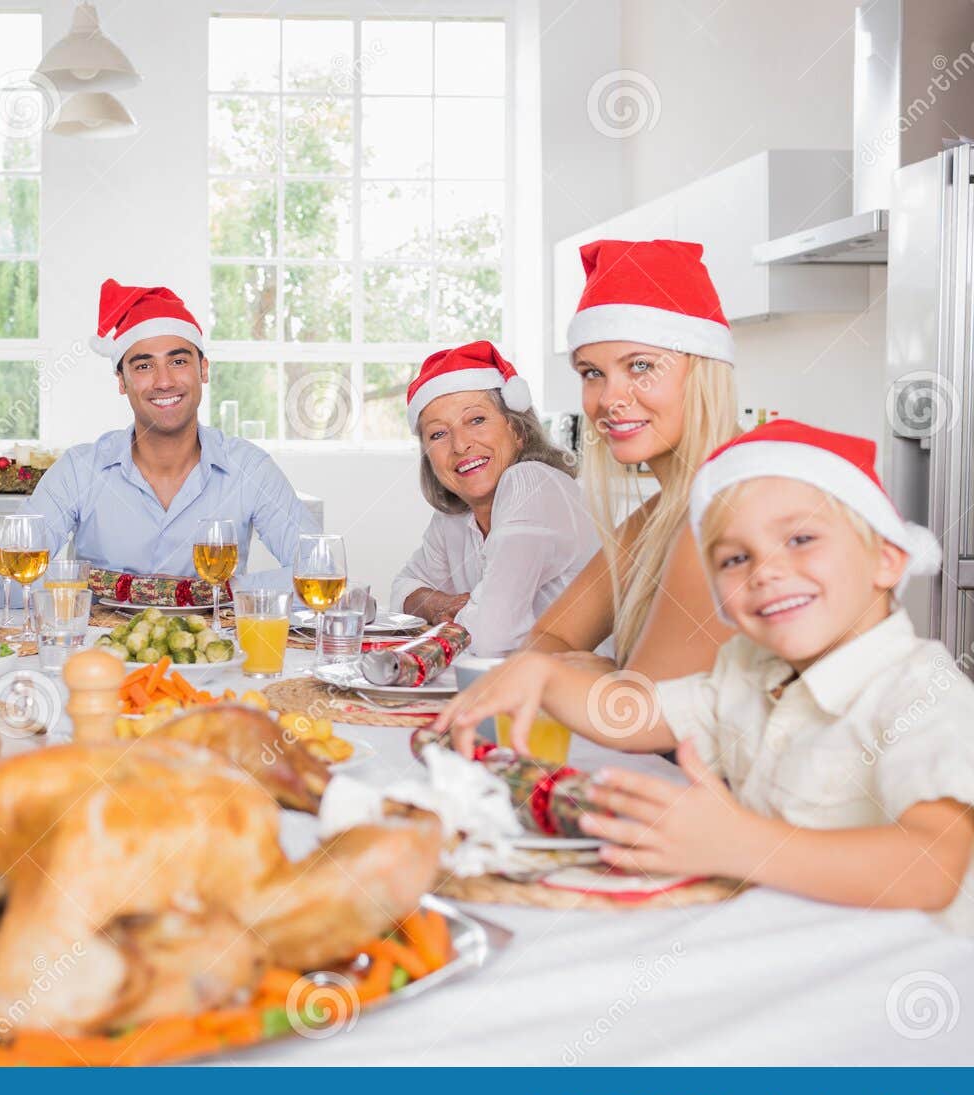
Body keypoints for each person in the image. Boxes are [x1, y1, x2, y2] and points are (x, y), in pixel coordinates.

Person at [449, 421, 974, 932]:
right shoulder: (748, 669)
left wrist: (742, 844)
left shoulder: (920, 690)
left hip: (892, 973)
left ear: (886, 559)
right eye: (736, 558)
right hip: (786, 941)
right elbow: (635, 719)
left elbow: (932, 867)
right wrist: (540, 673)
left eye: (801, 538)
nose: (764, 571)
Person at [431, 239, 741, 737]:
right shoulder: (656, 516)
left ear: (702, 368)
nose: (610, 398)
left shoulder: (730, 503)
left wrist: (603, 680)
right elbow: (547, 637)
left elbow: (638, 719)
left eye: (640, 365)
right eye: (593, 373)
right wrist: (606, 681)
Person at [0, 279, 316, 597]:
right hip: (101, 655)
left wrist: (213, 593)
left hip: (214, 654)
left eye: (179, 361)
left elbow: (321, 569)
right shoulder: (80, 469)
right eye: (143, 366)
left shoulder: (249, 468)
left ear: (204, 370)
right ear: (122, 381)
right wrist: (110, 586)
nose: (164, 381)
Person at [390, 341, 598, 656]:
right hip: (513, 690)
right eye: (438, 434)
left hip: (583, 693)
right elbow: (402, 589)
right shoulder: (453, 518)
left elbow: (490, 637)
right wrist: (439, 604)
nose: (460, 445)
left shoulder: (531, 482)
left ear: (517, 430)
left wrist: (454, 614)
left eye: (476, 420)